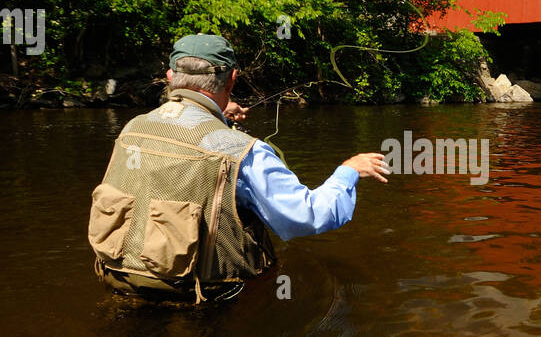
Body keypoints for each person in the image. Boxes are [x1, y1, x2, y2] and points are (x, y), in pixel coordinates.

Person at [88, 33, 388, 303]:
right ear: (231, 79)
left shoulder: (131, 130)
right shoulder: (240, 150)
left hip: (121, 281)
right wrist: (348, 171)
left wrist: (217, 115)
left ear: (169, 76)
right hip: (202, 297)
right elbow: (308, 216)